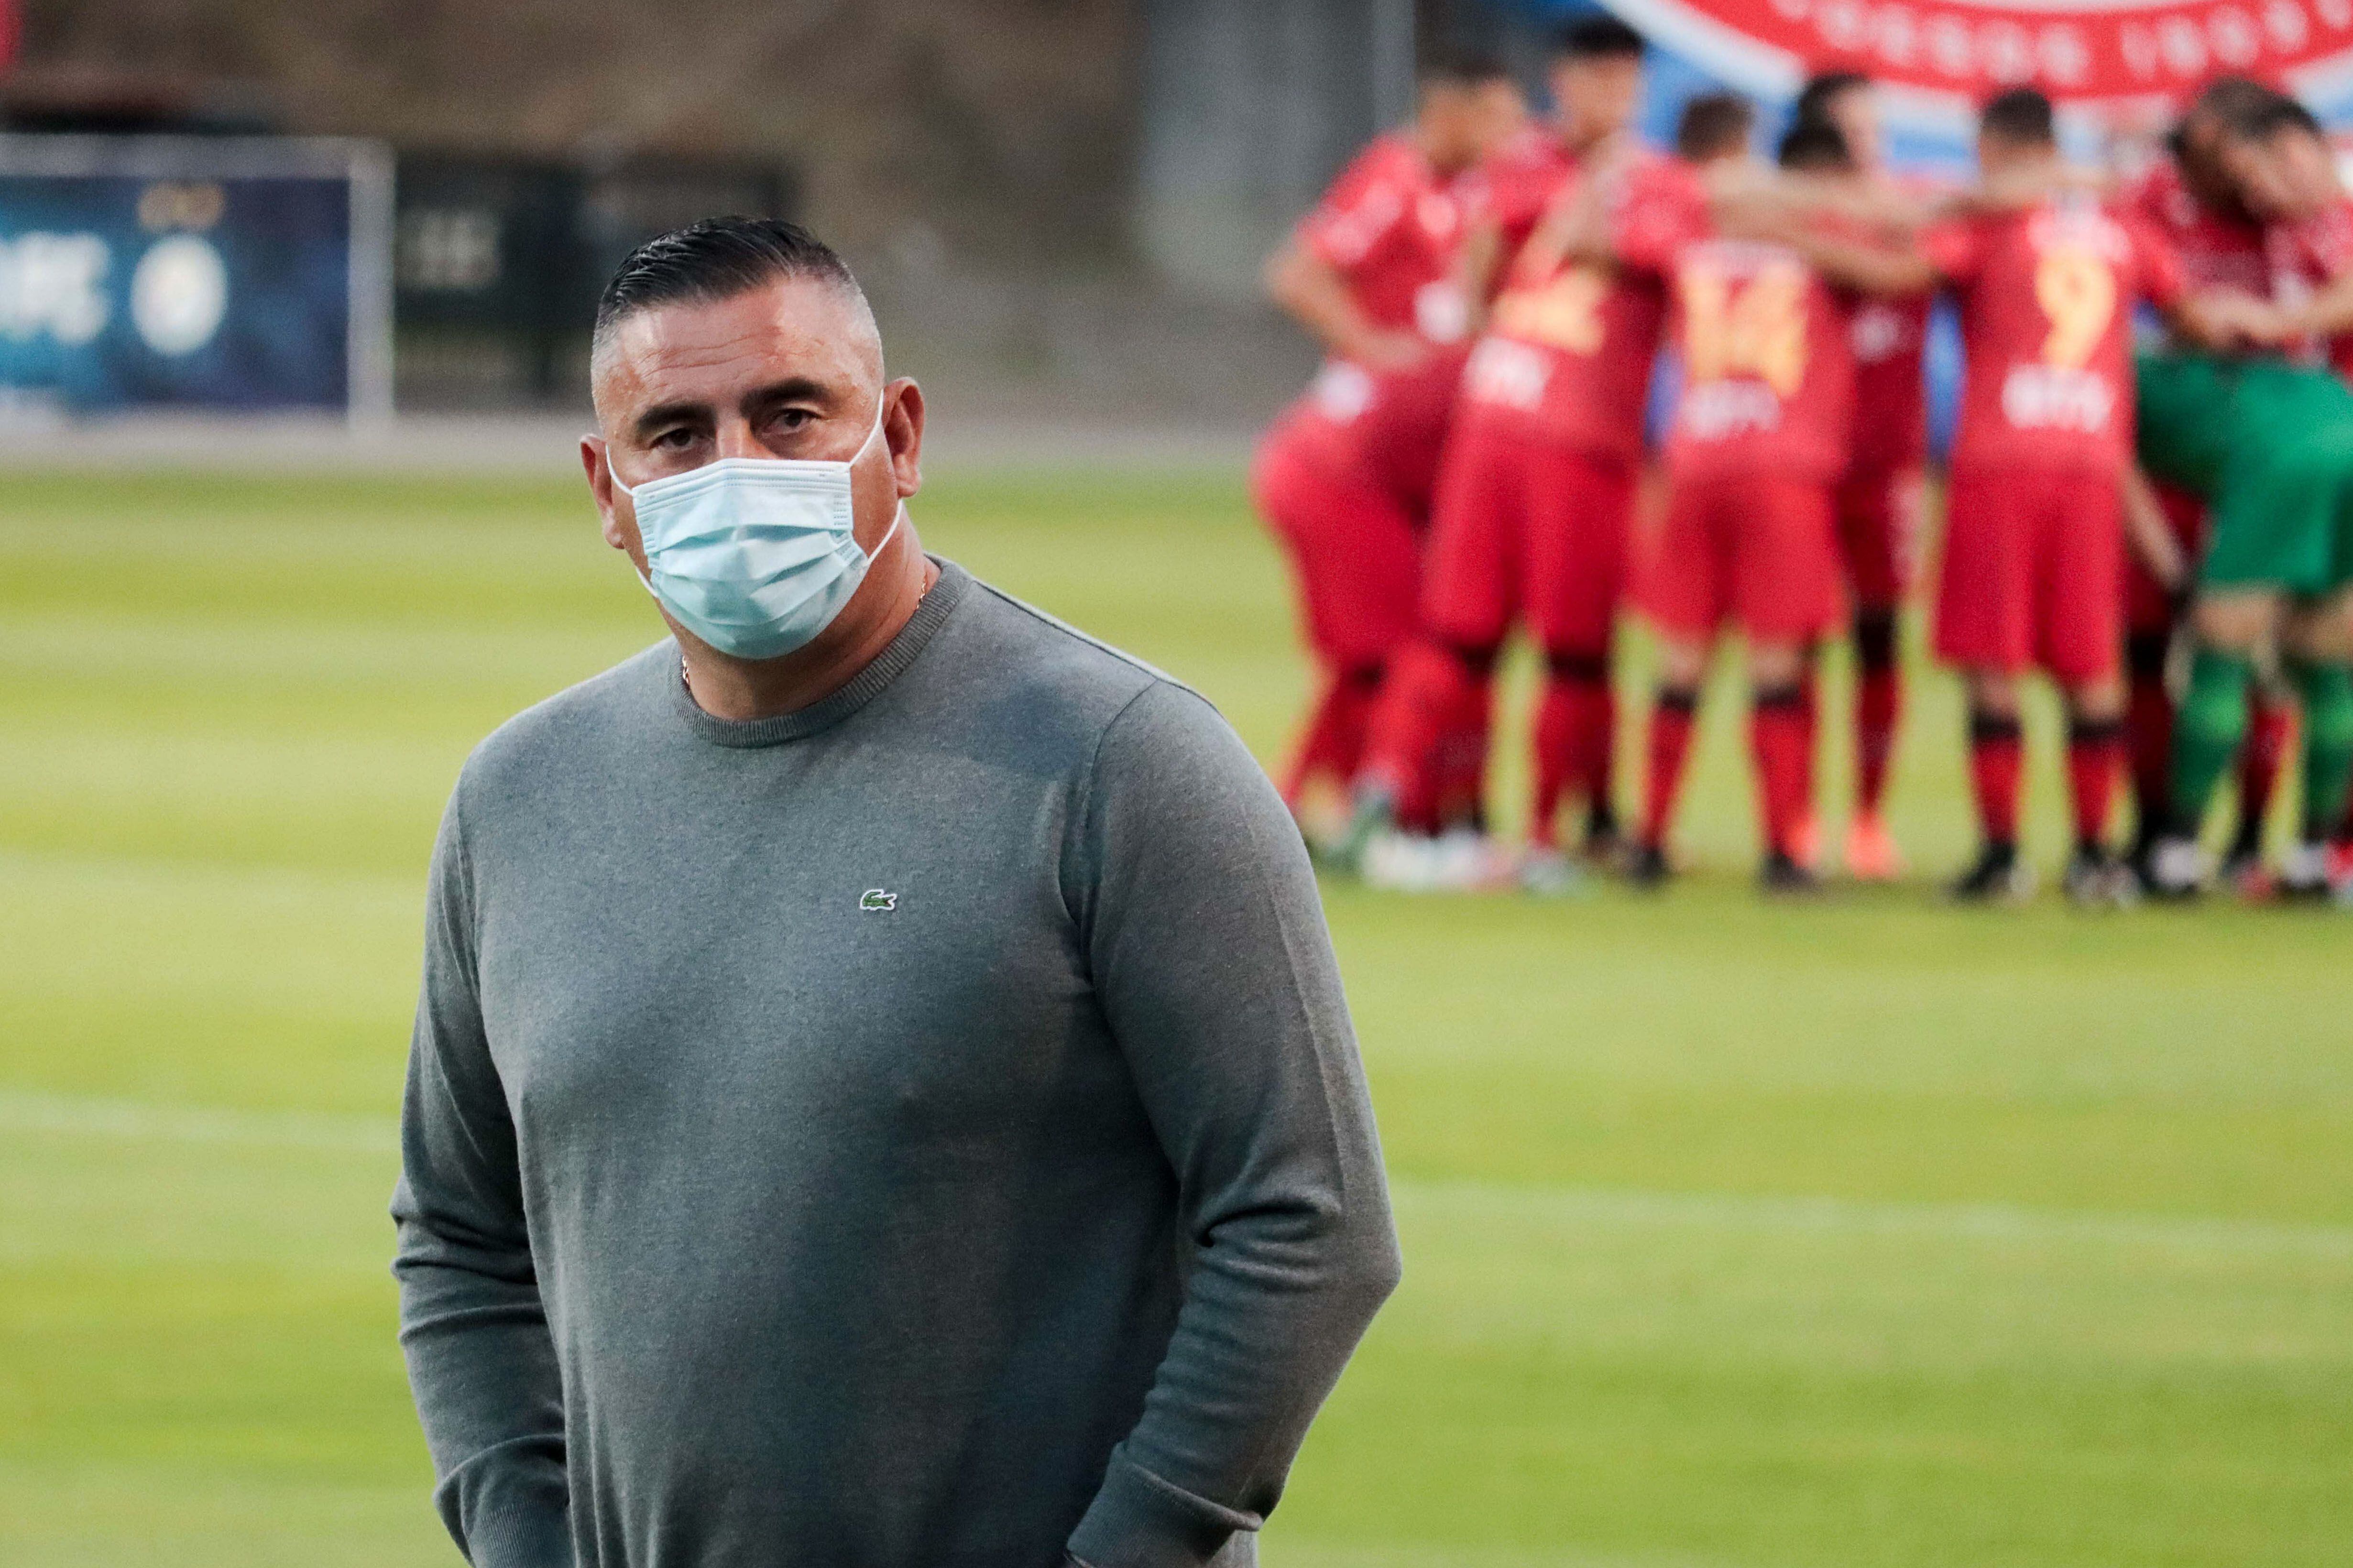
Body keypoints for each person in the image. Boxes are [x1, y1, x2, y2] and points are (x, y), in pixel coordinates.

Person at [392, 218, 1401, 1568]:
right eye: (676, 436)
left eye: (791, 414)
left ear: (902, 435)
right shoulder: (519, 798)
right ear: (606, 489)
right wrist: (524, 1543)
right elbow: (459, 1237)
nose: (738, 470)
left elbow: (1310, 1224)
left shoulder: (1122, 762)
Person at [1796, 88, 2247, 904]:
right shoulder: (2119, 226)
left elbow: (1899, 272)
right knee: (2089, 662)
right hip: (2091, 458)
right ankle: (2093, 856)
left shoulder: (1991, 222)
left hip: (1999, 458)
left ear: (1994, 147)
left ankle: (2003, 855)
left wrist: (1795, 242)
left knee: (1992, 661)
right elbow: (2188, 315)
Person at [1341, 13, 1653, 891]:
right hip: (1544, 428)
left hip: (1536, 419)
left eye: (1624, 83)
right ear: (1564, 83)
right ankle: (1445, 818)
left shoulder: (1594, 174)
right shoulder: (1586, 171)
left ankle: (1559, 824)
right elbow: (1488, 259)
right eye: (1597, 80)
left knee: (1549, 642)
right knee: (1487, 635)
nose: (1610, 99)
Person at [1255, 48, 1522, 842]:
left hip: (1386, 466)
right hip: (1339, 466)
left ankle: (1308, 812)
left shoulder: (1476, 191)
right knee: (1413, 643)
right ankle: (1374, 812)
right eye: (1495, 117)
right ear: (1448, 112)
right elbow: (1297, 273)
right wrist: (1370, 343)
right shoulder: (1397, 177)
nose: (1509, 135)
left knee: (1368, 658)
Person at [1619, 101, 1856, 893]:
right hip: (1782, 468)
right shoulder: (1818, 247)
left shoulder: (1693, 239)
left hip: (1696, 460)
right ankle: (1784, 851)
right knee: (1777, 666)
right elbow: (1907, 262)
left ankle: (1649, 841)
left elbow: (1620, 235)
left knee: (1680, 660)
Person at [2138, 94, 2353, 899]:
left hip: (2307, 443)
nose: (2249, 196)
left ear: (2294, 150)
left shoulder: (2337, 206)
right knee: (2324, 652)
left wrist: (2273, 320)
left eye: (2252, 175)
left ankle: (2176, 854)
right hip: (2330, 430)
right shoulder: (2295, 228)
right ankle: (2319, 859)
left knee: (2226, 637)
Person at [2118, 77, 2298, 893]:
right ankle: (2154, 829)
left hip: (2263, 455)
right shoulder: (2149, 201)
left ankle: (2251, 838)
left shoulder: (2294, 216)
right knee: (2145, 643)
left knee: (2259, 651)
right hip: (2170, 451)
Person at [1787, 70, 1934, 881]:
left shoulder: (1913, 210)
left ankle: (1869, 820)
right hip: (1801, 464)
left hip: (1887, 464)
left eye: (1875, 128)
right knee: (1797, 638)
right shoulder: (1778, 219)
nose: (1868, 145)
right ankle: (1799, 815)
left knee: (1879, 633)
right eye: (1852, 130)